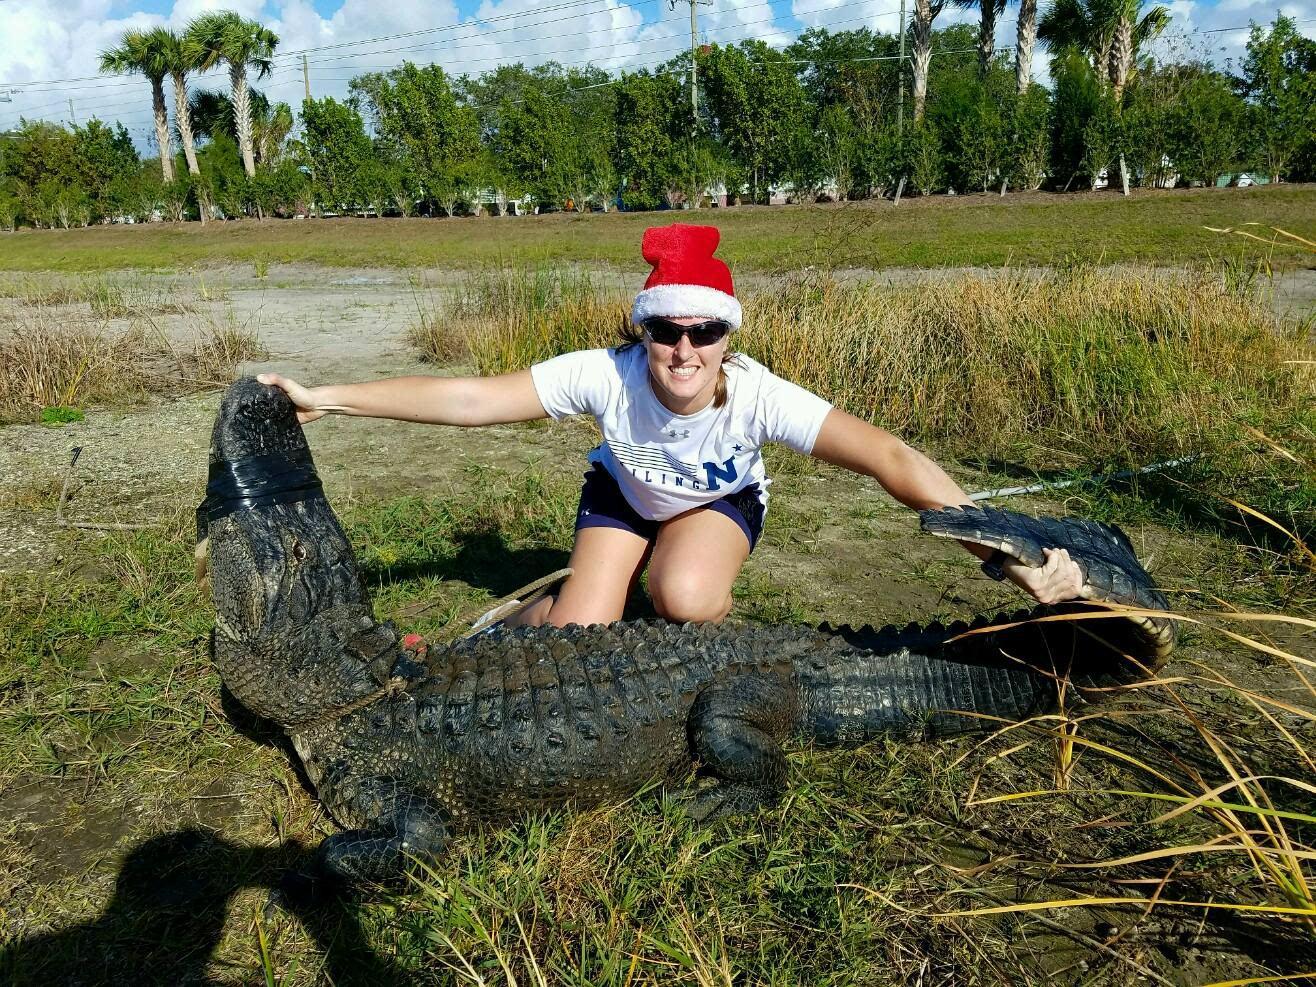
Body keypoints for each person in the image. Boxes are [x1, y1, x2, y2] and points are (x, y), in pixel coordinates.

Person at [258, 224, 1082, 629]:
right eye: (666, 331)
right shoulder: (603, 374)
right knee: (576, 634)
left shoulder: (760, 396)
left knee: (684, 598)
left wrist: (1014, 559)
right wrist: (327, 397)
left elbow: (889, 458)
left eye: (705, 332)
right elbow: (472, 400)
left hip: (716, 505)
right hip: (622, 495)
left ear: (729, 336)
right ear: (642, 331)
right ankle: (515, 618)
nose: (684, 350)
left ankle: (665, 601)